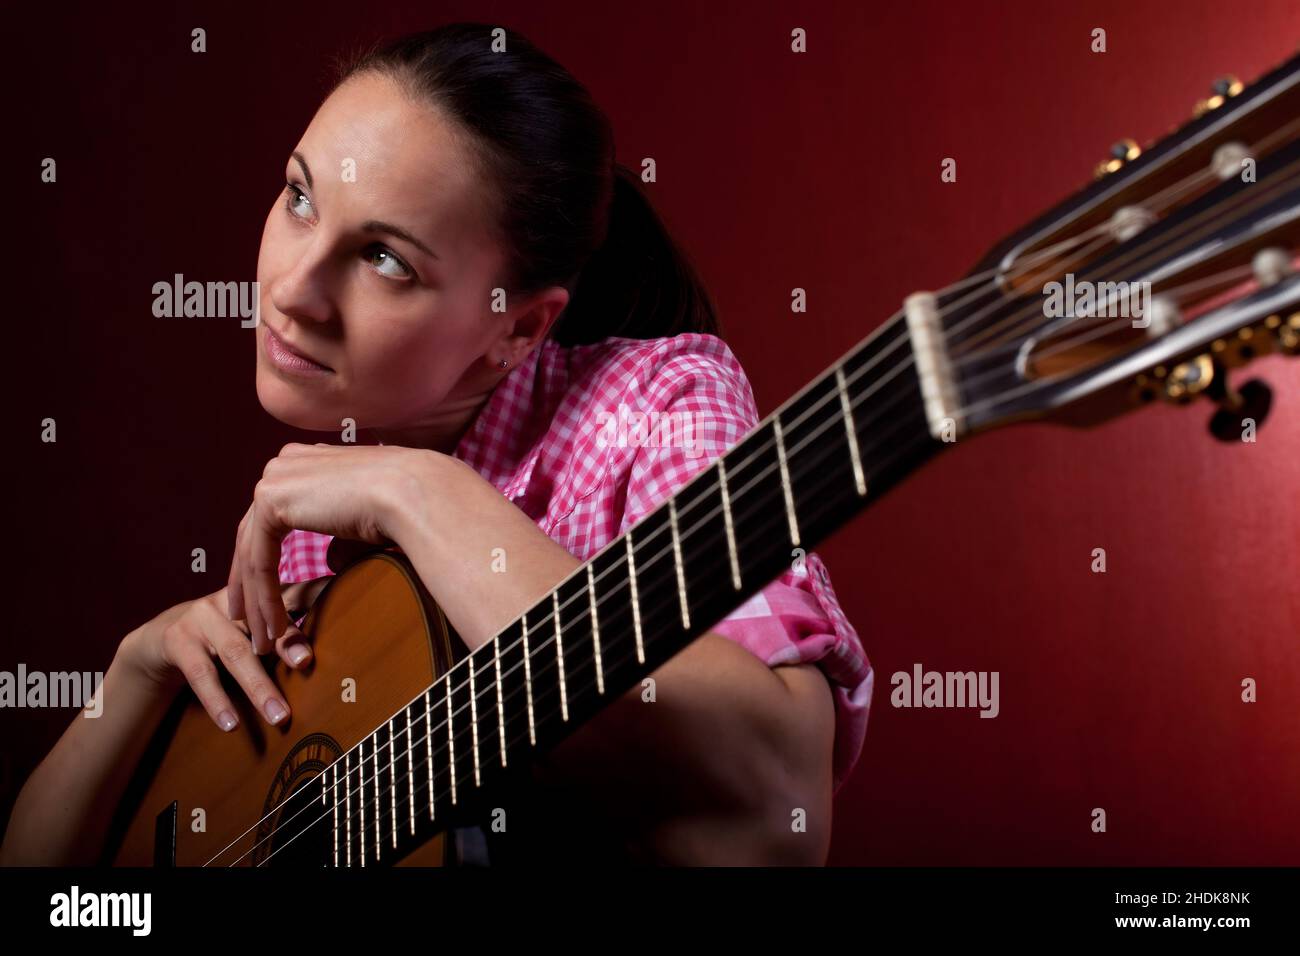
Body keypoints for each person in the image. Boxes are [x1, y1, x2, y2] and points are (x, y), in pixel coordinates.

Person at [0, 22, 872, 867]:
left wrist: (417, 494)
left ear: (517, 329)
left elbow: (781, 814)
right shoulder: (312, 535)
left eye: (386, 260)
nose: (293, 290)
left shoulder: (657, 403)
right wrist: (137, 672)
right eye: (300, 196)